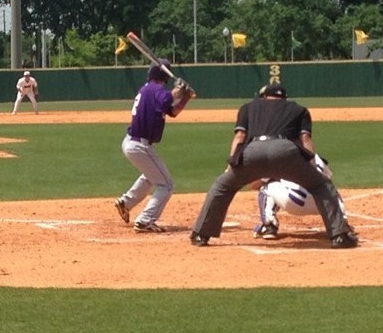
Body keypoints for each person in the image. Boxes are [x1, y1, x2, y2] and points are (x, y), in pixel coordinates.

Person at [189, 83, 358, 248]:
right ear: (284, 98)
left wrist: (231, 165)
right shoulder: (298, 109)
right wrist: (313, 167)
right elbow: (305, 140)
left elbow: (240, 137)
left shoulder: (248, 107)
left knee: (222, 186)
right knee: (321, 185)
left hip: (252, 151)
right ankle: (339, 235)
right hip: (286, 151)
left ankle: (200, 234)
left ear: (263, 97)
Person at [112, 58, 194, 233]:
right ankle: (145, 221)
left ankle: (126, 203)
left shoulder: (149, 90)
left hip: (134, 143)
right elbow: (168, 98)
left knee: (151, 176)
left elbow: (172, 111)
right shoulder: (154, 90)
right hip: (139, 145)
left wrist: (184, 97)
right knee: (167, 185)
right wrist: (179, 89)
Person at [251, 153, 350, 240]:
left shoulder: (281, 158)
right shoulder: (315, 157)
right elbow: (328, 179)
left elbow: (254, 185)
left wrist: (274, 176)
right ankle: (341, 223)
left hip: (293, 203)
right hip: (321, 204)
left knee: (265, 187)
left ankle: (269, 226)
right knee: (330, 188)